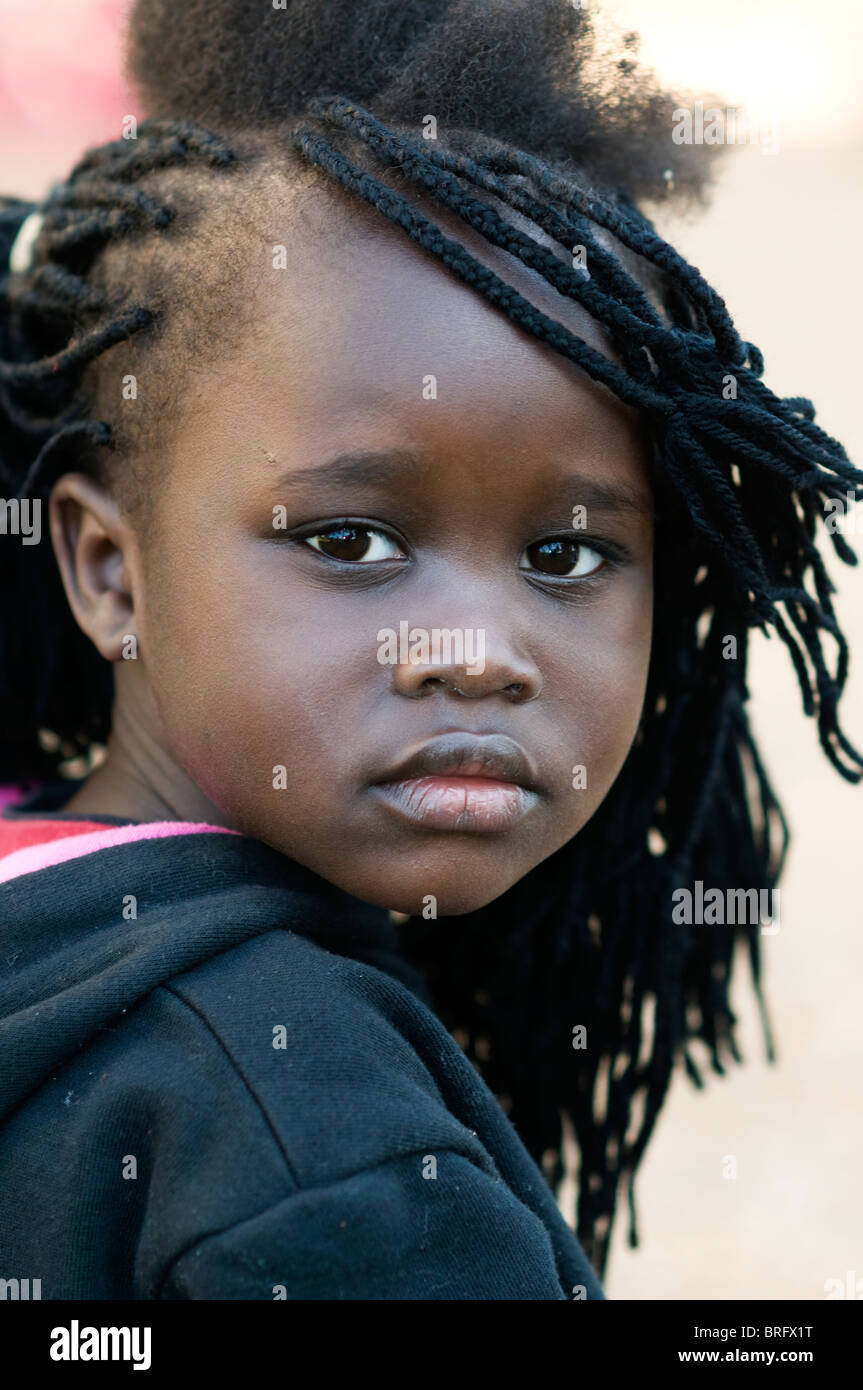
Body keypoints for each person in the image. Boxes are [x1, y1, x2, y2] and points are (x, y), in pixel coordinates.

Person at [0, 0, 860, 1299]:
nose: (474, 653)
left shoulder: (44, 889)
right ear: (109, 571)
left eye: (565, 555)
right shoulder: (337, 1164)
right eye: (350, 541)